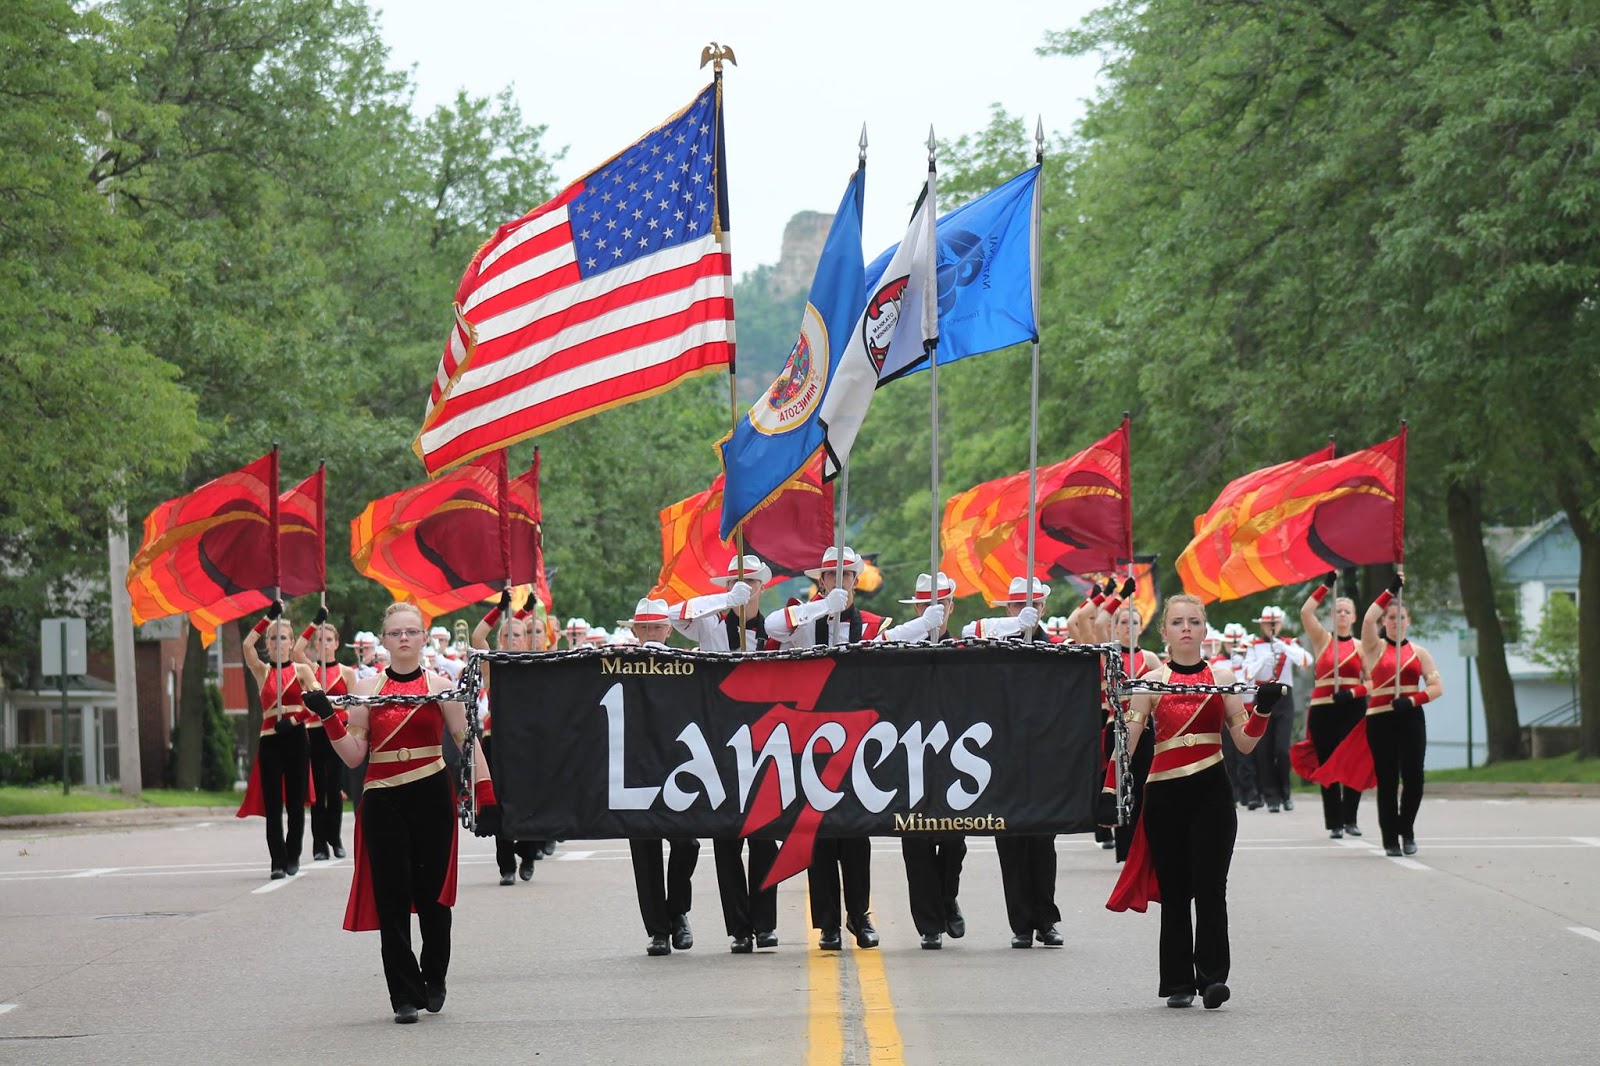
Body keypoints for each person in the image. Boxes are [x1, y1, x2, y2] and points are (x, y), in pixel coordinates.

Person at [301, 601, 500, 1023]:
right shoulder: (368, 689)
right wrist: (328, 719)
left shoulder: (441, 685)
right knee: (392, 898)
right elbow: (355, 757)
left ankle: (434, 977)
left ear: (424, 638)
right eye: (395, 633)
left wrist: (487, 795)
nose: (404, 638)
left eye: (412, 631)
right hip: (382, 798)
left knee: (432, 897)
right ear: (385, 640)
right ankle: (403, 995)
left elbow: (467, 743)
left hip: (431, 792)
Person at [1103, 593, 1275, 1009]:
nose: (1186, 628)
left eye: (1194, 622)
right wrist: (1109, 793)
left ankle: (1213, 977)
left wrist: (1263, 712)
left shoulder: (1223, 680)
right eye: (1177, 621)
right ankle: (1178, 981)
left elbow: (1245, 744)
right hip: (1164, 795)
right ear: (1164, 632)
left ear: (1204, 630)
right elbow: (1126, 744)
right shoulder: (1150, 683)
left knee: (1212, 888)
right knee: (1177, 890)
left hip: (1212, 794)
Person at [766, 545, 887, 951]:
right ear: (822, 580)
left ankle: (859, 915)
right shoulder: (803, 620)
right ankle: (828, 924)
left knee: (855, 832)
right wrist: (820, 609)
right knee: (816, 834)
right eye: (831, 576)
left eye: (846, 576)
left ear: (856, 581)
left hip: (857, 741)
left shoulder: (870, 625)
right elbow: (772, 628)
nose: (839, 582)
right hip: (811, 740)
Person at [671, 555, 779, 952]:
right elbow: (675, 614)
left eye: (751, 583)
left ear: (762, 588)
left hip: (766, 745)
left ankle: (765, 923)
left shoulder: (775, 630)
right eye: (739, 583)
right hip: (719, 745)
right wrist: (721, 600)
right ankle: (739, 928)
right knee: (726, 841)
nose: (745, 590)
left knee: (765, 839)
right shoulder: (711, 624)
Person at [961, 576, 1065, 949]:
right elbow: (966, 630)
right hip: (1001, 756)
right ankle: (1020, 922)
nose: (1026, 612)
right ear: (1006, 610)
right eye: (1017, 606)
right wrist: (1012, 628)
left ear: (1044, 609)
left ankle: (1046, 918)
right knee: (1010, 842)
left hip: (1040, 758)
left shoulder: (1056, 653)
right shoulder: (992, 643)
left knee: (1042, 841)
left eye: (1033, 606)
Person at [618, 597, 702, 956]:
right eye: (645, 627)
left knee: (687, 843)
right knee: (645, 850)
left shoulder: (687, 664)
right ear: (635, 631)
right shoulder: (618, 666)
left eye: (657, 627)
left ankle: (678, 911)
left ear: (668, 630)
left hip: (677, 768)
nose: (651, 633)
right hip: (636, 770)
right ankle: (658, 930)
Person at [889, 573, 963, 949]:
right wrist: (920, 627)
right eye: (923, 605)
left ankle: (947, 900)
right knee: (915, 843)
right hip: (909, 755)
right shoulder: (901, 646)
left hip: (954, 759)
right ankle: (930, 923)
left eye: (939, 605)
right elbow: (879, 644)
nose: (933, 610)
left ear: (950, 607)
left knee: (954, 841)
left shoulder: (963, 650)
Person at [1360, 575, 1443, 856]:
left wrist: (1412, 700)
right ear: (1386, 622)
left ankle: (1407, 830)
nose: (1396, 621)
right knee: (1387, 778)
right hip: (1380, 719)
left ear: (1409, 620)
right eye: (1391, 617)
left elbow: (1436, 687)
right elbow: (1367, 621)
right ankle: (1390, 838)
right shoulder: (1374, 648)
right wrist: (1390, 590)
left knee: (1414, 776)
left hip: (1410, 718)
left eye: (1401, 617)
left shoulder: (1419, 653)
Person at [239, 602, 319, 879]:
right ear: (269, 643)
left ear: (292, 641)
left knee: (295, 803)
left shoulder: (303, 671)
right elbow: (247, 646)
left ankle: (293, 854)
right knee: (274, 805)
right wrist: (267, 618)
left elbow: (320, 703)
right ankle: (277, 861)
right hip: (270, 741)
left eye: (283, 637)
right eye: (273, 638)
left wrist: (296, 721)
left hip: (296, 738)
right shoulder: (262, 671)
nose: (278, 642)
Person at [469, 591, 541, 886]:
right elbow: (477, 637)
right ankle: (506, 865)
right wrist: (502, 610)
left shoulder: (537, 664)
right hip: (496, 740)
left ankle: (527, 851)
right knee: (500, 802)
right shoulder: (493, 665)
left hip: (528, 743)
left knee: (531, 800)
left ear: (528, 639)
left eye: (520, 635)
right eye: (508, 635)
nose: (514, 639)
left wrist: (524, 612)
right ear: (501, 640)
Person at [1300, 574, 1368, 839]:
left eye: (1346, 611)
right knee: (1327, 763)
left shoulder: (1362, 647)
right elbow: (1306, 611)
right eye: (1338, 611)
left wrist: (1353, 693)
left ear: (1354, 617)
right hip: (1323, 709)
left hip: (1351, 708)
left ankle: (1351, 818)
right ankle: (1335, 822)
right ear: (1332, 616)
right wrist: (1326, 586)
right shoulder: (1321, 640)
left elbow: (1374, 682)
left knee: (1353, 763)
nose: (1341, 614)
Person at [294, 607, 353, 861]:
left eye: (329, 639)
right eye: (320, 640)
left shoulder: (347, 672)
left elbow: (353, 704)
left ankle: (335, 838)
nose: (324, 644)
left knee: (334, 788)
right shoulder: (310, 668)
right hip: (316, 733)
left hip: (338, 732)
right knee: (317, 789)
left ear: (337, 643)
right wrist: (314, 623)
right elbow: (297, 650)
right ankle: (319, 844)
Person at [1243, 606, 1313, 813]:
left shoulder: (1290, 644)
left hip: (1284, 698)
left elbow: (1306, 661)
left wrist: (1284, 648)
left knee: (1281, 749)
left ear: (1280, 624)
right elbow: (1247, 673)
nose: (1271, 628)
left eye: (1274, 624)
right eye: (1268, 624)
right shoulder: (1254, 646)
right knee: (1264, 750)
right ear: (1262, 625)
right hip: (1263, 696)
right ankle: (1271, 796)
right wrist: (1261, 662)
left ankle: (1285, 792)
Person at [1219, 622, 1260, 809]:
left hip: (1247, 709)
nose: (1232, 646)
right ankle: (1232, 792)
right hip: (1225, 713)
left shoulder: (1249, 662)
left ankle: (1249, 792)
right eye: (1229, 643)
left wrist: (1241, 670)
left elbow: (1248, 688)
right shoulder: (1218, 662)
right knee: (1228, 753)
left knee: (1247, 754)